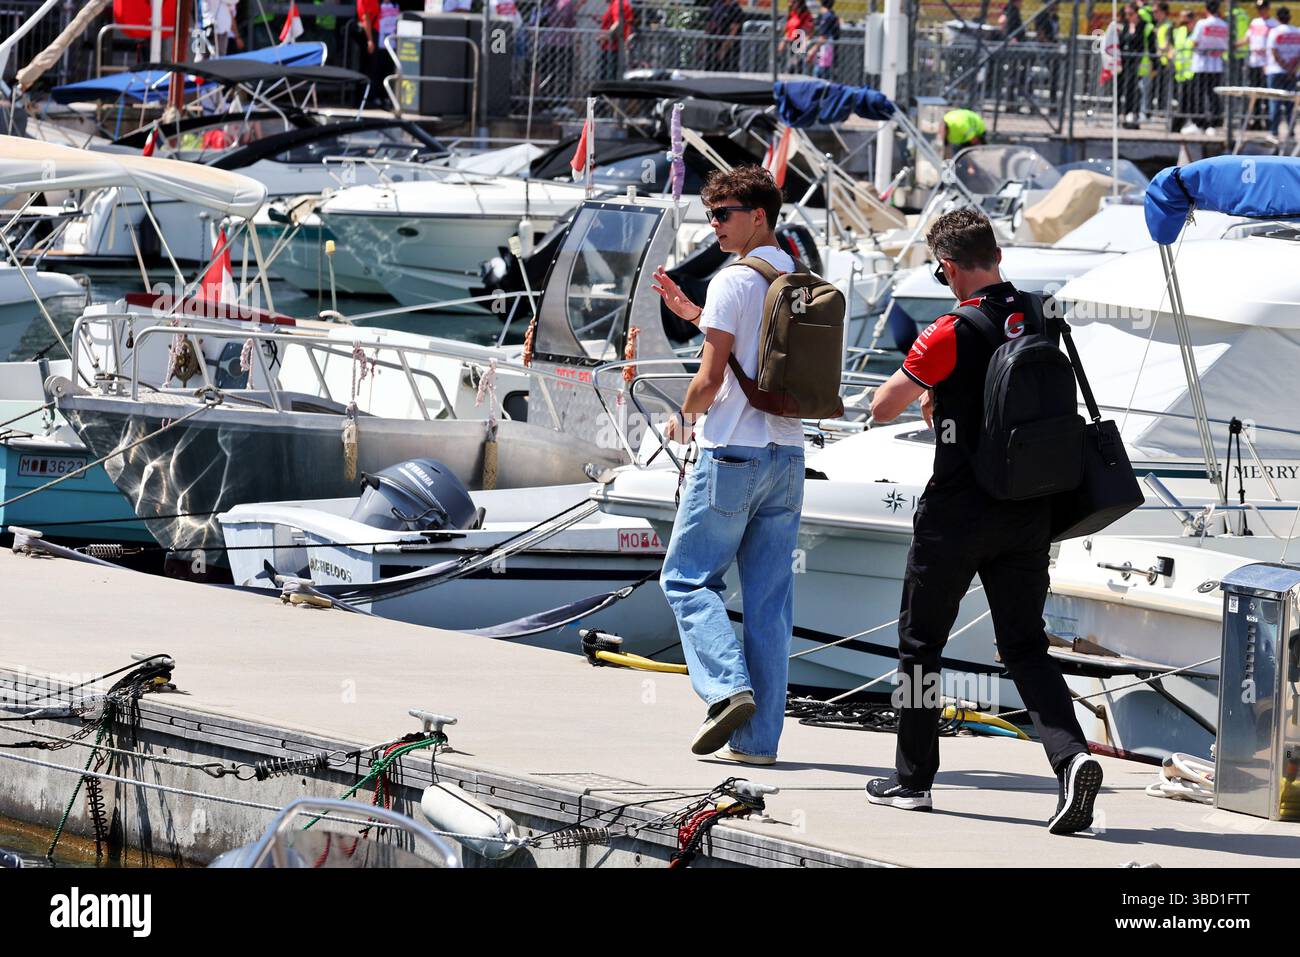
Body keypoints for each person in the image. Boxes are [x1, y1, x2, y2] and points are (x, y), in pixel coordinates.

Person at [863, 207, 1103, 835]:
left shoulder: (950, 329)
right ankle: (1071, 757)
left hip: (958, 512)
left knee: (921, 644)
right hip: (1030, 508)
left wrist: (929, 397)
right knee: (1025, 645)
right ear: (994, 255)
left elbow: (879, 407)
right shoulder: (1043, 312)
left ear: (947, 266)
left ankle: (912, 782)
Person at [650, 166, 806, 766]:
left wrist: (684, 416)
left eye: (724, 214)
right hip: (787, 456)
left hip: (732, 454)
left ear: (758, 214)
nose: (713, 226)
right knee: (770, 603)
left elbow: (711, 377)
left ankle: (725, 691)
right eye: (710, 214)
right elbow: (757, 348)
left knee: (687, 580)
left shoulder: (732, 280)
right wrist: (695, 313)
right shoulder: (794, 275)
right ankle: (759, 744)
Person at [1186, 0, 1229, 134]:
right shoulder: (1223, 25)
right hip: (1216, 65)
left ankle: (1199, 123)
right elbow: (1225, 46)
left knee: (1198, 94)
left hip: (1201, 65)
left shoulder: (1202, 23)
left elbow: (1194, 42)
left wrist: (1202, 49)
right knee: (1213, 95)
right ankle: (1214, 124)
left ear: (1206, 9)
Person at [1119, 1, 1155, 127]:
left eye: (1130, 14)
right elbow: (1122, 43)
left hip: (1141, 64)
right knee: (1127, 88)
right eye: (1126, 14)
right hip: (1127, 63)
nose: (1127, 17)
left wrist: (1154, 65)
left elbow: (1151, 48)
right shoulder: (1125, 26)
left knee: (1140, 89)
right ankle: (1127, 112)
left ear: (1136, 13)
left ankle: (1139, 113)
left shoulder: (1145, 27)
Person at [1266, 6, 1300, 134]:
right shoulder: (1297, 31)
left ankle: (1274, 131)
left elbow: (1274, 51)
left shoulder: (1275, 31)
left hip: (1275, 71)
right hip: (1292, 73)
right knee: (1290, 103)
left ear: (1278, 18)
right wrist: (1292, 69)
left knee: (1275, 102)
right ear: (1289, 17)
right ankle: (1290, 131)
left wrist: (1285, 67)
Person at [1249, 0, 1280, 126]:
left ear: (1268, 8)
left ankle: (1267, 120)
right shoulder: (1255, 22)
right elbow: (1248, 38)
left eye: (1263, 8)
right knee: (1255, 92)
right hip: (1254, 62)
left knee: (1267, 93)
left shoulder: (1274, 24)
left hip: (1268, 64)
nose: (1261, 11)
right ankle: (1256, 120)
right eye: (1259, 8)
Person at [355, 0, 386, 109]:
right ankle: (365, 99)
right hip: (369, 34)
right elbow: (365, 19)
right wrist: (370, 40)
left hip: (372, 33)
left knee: (371, 68)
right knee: (369, 69)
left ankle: (368, 98)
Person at [598, 0, 635, 81]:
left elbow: (618, 23)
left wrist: (605, 36)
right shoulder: (619, 3)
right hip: (613, 46)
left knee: (608, 77)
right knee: (610, 75)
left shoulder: (617, 4)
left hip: (612, 47)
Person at [1173, 8, 1198, 124]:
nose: (1184, 24)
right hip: (1181, 71)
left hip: (1194, 70)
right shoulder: (1179, 31)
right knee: (1182, 98)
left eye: (1186, 21)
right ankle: (1182, 122)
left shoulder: (1198, 32)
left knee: (1192, 99)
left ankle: (1191, 121)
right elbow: (1174, 46)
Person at [707, 0, 745, 72]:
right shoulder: (717, 4)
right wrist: (703, 45)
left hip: (729, 49)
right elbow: (709, 25)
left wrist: (723, 49)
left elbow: (733, 32)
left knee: (726, 71)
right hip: (713, 45)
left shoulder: (735, 9)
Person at [807, 0, 841, 79]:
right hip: (827, 55)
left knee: (819, 77)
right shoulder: (830, 15)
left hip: (825, 56)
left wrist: (812, 50)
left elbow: (823, 37)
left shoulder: (827, 16)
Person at [779, 0, 815, 74]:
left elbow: (809, 34)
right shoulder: (792, 13)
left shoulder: (806, 15)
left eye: (793, 2)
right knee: (788, 68)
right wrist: (783, 42)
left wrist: (801, 49)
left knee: (793, 67)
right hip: (790, 44)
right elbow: (788, 30)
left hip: (800, 45)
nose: (790, 3)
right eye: (789, 1)